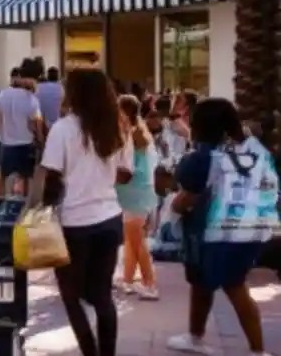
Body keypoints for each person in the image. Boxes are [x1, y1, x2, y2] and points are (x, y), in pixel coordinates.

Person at [166, 98, 276, 356]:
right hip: (249, 228)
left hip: (212, 233)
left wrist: (174, 211)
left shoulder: (203, 158)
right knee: (210, 283)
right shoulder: (252, 150)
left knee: (230, 286)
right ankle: (198, 336)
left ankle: (255, 350)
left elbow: (187, 197)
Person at [39, 68, 132, 356]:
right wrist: (98, 178)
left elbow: (51, 177)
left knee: (70, 294)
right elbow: (126, 173)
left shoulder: (64, 129)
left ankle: (89, 351)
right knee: (102, 296)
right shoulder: (118, 126)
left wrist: (41, 210)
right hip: (109, 217)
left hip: (74, 222)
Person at [115, 94, 159, 299]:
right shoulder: (141, 132)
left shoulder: (130, 135)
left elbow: (127, 168)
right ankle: (128, 279)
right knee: (132, 238)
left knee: (136, 239)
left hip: (132, 190)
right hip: (141, 190)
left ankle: (149, 284)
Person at [0, 62, 42, 196]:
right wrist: (40, 139)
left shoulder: (2, 95)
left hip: (6, 144)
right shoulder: (31, 98)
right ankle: (24, 206)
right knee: (27, 178)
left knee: (4, 177)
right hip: (26, 144)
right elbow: (35, 122)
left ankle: (4, 204)